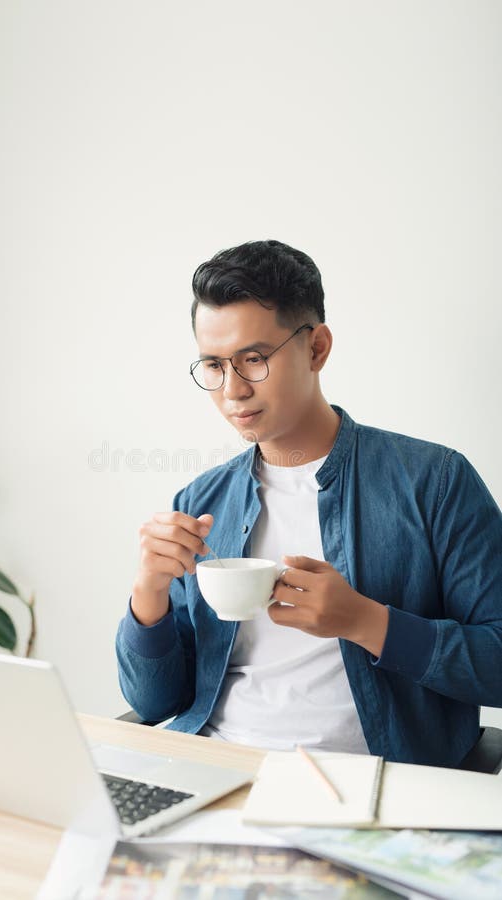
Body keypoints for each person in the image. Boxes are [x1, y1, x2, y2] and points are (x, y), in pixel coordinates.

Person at [116, 239, 502, 766]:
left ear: (316, 348)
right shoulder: (202, 501)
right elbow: (154, 701)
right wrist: (149, 593)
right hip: (219, 768)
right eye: (213, 365)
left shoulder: (434, 481)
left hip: (370, 783)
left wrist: (367, 622)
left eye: (253, 359)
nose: (232, 390)